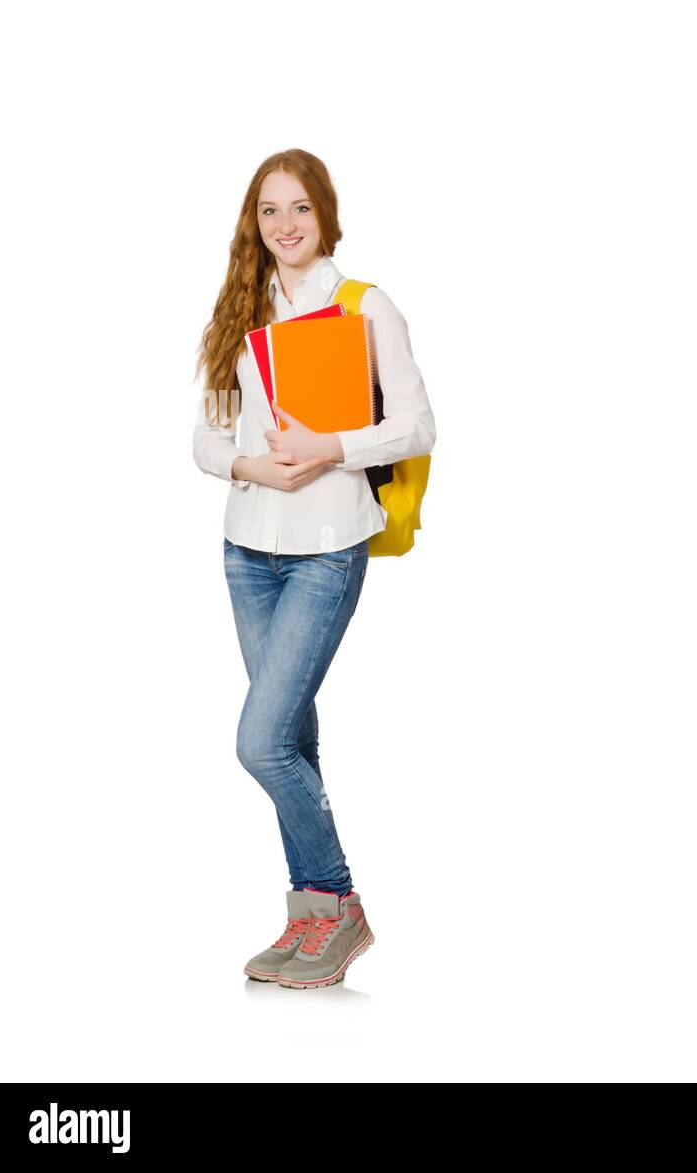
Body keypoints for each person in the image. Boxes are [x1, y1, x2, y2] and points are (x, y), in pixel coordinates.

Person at [193, 148, 436, 989]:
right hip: (247, 548)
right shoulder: (243, 310)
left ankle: (339, 902)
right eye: (269, 211)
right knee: (289, 736)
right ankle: (311, 919)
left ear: (326, 214)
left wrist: (331, 446)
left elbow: (419, 426)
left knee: (259, 740)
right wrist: (249, 465)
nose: (284, 226)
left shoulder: (364, 307)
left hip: (329, 546)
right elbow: (205, 437)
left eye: (299, 208)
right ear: (252, 223)